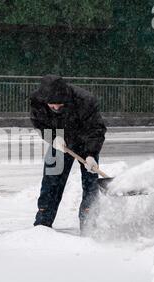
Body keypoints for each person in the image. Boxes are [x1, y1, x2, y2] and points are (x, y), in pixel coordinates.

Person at [29, 75, 107, 235]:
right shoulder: (37, 101)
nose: (56, 108)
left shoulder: (85, 100)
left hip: (86, 142)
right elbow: (39, 123)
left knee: (90, 183)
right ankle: (42, 225)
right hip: (60, 141)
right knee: (51, 182)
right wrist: (52, 138)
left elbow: (96, 129)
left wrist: (91, 154)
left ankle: (89, 226)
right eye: (53, 106)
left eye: (60, 105)